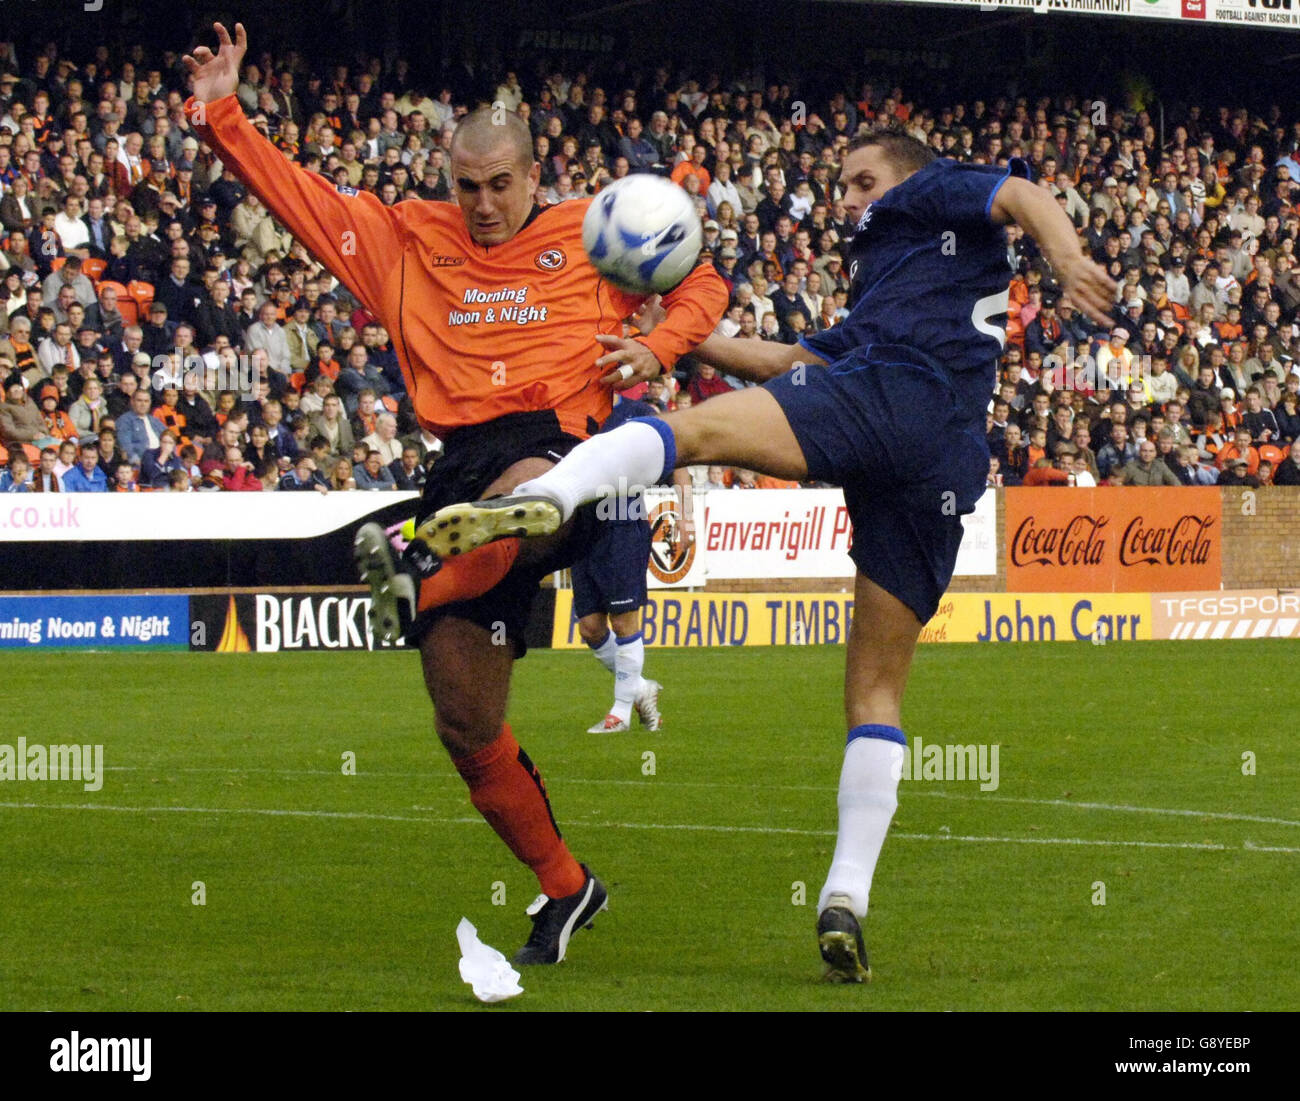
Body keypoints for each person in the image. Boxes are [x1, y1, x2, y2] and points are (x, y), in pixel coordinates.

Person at [419, 130, 1116, 981]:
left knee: (689, 432)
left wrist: (1069, 257)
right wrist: (689, 341)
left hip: (895, 393)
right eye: (844, 185)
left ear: (907, 179)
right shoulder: (899, 281)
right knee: (875, 686)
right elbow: (793, 359)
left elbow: (1019, 195)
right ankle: (845, 897)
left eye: (862, 181)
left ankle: (550, 496)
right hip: (944, 451)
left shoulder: (927, 195)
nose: (849, 199)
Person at [185, 22, 725, 966]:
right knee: (464, 717)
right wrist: (226, 112)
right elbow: (299, 196)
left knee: (537, 491)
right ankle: (568, 885)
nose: (481, 205)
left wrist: (658, 346)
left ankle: (419, 566)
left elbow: (702, 281)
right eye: (465, 186)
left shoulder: (592, 234)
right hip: (458, 470)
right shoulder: (403, 240)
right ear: (447, 175)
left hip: (561, 449)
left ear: (531, 173)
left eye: (499, 185)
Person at [572, 400, 692, 733]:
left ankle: (620, 713)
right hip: (581, 529)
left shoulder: (637, 413)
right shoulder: (569, 410)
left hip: (622, 526)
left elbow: (679, 463)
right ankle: (640, 688)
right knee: (590, 628)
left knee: (625, 621)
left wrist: (686, 516)